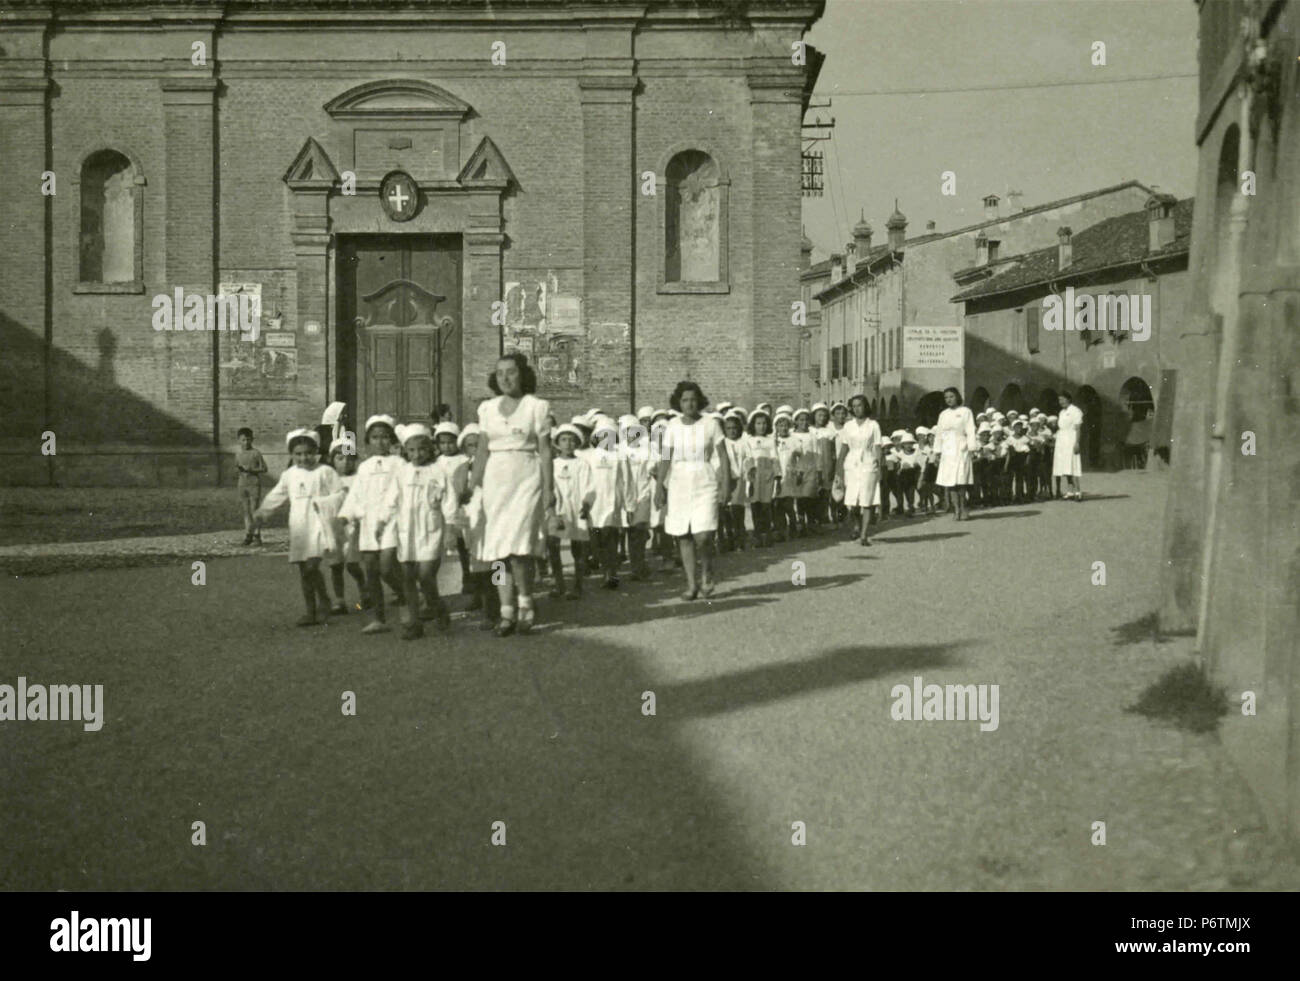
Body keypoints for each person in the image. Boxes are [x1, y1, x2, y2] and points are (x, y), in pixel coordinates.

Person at [469, 352, 553, 636]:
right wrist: (472, 487)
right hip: (495, 483)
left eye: (511, 372)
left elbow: (544, 451)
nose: (505, 378)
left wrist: (549, 490)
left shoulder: (536, 407)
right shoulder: (487, 409)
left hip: (526, 478)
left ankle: (526, 605)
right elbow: (481, 451)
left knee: (520, 550)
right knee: (498, 552)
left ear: (523, 375)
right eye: (500, 373)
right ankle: (506, 612)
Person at [253, 428, 343, 626]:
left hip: (320, 525)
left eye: (308, 453)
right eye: (298, 454)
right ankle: (312, 609)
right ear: (292, 455)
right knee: (304, 570)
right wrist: (263, 511)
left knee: (312, 566)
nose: (304, 458)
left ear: (316, 452)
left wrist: (323, 502)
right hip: (300, 526)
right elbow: (278, 494)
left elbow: (340, 494)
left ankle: (324, 601)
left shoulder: (325, 472)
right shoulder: (289, 475)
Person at [654, 381, 730, 600]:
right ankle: (691, 584)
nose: (689, 404)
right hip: (678, 482)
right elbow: (665, 459)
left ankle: (707, 571)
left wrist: (725, 485)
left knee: (703, 535)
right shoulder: (672, 426)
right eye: (685, 400)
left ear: (700, 400)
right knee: (683, 535)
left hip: (704, 480)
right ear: (679, 402)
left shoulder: (711, 424)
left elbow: (723, 457)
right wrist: (660, 487)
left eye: (693, 399)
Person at [339, 414, 407, 635]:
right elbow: (356, 495)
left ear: (392, 440)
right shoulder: (365, 467)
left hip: (391, 521)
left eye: (385, 437)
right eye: (376, 437)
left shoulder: (398, 463)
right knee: (370, 569)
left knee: (387, 567)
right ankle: (379, 618)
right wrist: (346, 515)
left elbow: (402, 492)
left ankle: (407, 595)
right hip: (368, 522)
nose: (381, 442)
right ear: (368, 440)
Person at [392, 424, 458, 639]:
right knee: (408, 577)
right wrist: (382, 524)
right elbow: (391, 500)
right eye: (411, 450)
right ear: (406, 451)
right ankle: (414, 622)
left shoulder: (438, 471)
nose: (416, 454)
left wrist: (450, 530)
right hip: (406, 530)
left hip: (431, 529)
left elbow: (449, 502)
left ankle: (437, 606)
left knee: (426, 575)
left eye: (421, 449)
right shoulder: (402, 471)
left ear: (430, 448)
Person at [325, 437, 367, 614]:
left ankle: (365, 592)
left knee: (352, 564)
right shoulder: (327, 479)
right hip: (333, 525)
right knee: (335, 565)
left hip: (353, 526)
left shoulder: (358, 479)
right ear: (332, 460)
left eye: (350, 459)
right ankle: (339, 600)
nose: (345, 463)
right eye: (340, 458)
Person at [835, 394, 881, 546]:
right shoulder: (848, 426)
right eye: (854, 406)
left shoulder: (873, 425)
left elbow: (877, 447)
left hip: (869, 463)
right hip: (852, 465)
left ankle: (864, 535)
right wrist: (839, 469)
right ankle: (856, 525)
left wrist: (879, 467)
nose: (856, 408)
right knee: (852, 501)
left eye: (859, 405)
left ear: (865, 406)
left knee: (866, 500)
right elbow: (844, 448)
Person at [587, 414, 624, 589]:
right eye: (603, 435)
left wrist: (625, 504)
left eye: (610, 435)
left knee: (610, 537)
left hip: (613, 503)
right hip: (594, 505)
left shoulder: (618, 456)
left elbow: (624, 481)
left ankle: (611, 574)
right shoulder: (589, 457)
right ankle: (604, 568)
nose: (606, 439)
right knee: (597, 541)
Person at [619, 414, 655, 578]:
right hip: (626, 495)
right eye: (626, 431)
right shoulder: (620, 450)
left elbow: (653, 465)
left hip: (643, 493)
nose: (630, 434)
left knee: (639, 530)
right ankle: (636, 564)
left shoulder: (646, 448)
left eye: (633, 430)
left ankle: (639, 565)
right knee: (630, 531)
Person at [935, 386, 976, 520]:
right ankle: (956, 509)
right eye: (946, 397)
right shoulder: (943, 414)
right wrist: (937, 451)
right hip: (947, 450)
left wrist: (971, 448)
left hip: (961, 447)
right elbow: (939, 434)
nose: (949, 400)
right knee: (950, 481)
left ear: (957, 397)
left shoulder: (965, 411)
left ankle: (964, 508)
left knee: (961, 480)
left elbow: (970, 430)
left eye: (951, 396)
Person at [745, 407, 778, 548]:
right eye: (758, 423)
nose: (762, 426)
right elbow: (748, 457)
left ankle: (767, 534)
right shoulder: (749, 440)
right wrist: (750, 473)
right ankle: (757, 535)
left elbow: (775, 458)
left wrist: (777, 476)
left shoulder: (770, 441)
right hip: (754, 474)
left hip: (767, 475)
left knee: (766, 505)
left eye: (764, 423)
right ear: (753, 425)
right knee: (755, 504)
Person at [720, 409, 752, 551]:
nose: (732, 431)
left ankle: (740, 536)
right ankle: (729, 537)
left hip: (739, 479)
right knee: (726, 510)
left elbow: (748, 459)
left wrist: (748, 472)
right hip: (726, 480)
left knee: (737, 509)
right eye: (728, 428)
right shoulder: (723, 443)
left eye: (734, 428)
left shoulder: (743, 443)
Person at [235, 427, 268, 545]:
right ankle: (248, 534)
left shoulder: (256, 453)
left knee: (255, 509)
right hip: (242, 484)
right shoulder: (238, 454)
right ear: (239, 440)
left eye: (248, 440)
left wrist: (252, 469)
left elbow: (264, 468)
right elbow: (236, 468)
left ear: (252, 440)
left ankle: (257, 535)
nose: (246, 442)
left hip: (254, 483)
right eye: (243, 440)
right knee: (246, 510)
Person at [1053, 392, 1084, 500]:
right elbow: (1061, 428)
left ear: (1068, 399)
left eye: (1062, 399)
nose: (1060, 402)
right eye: (1059, 400)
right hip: (1062, 441)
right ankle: (1070, 491)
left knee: (1073, 465)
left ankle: (1078, 492)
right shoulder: (1061, 412)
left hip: (1071, 440)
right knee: (1065, 466)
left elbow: (1078, 428)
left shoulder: (1076, 411)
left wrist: (1077, 442)